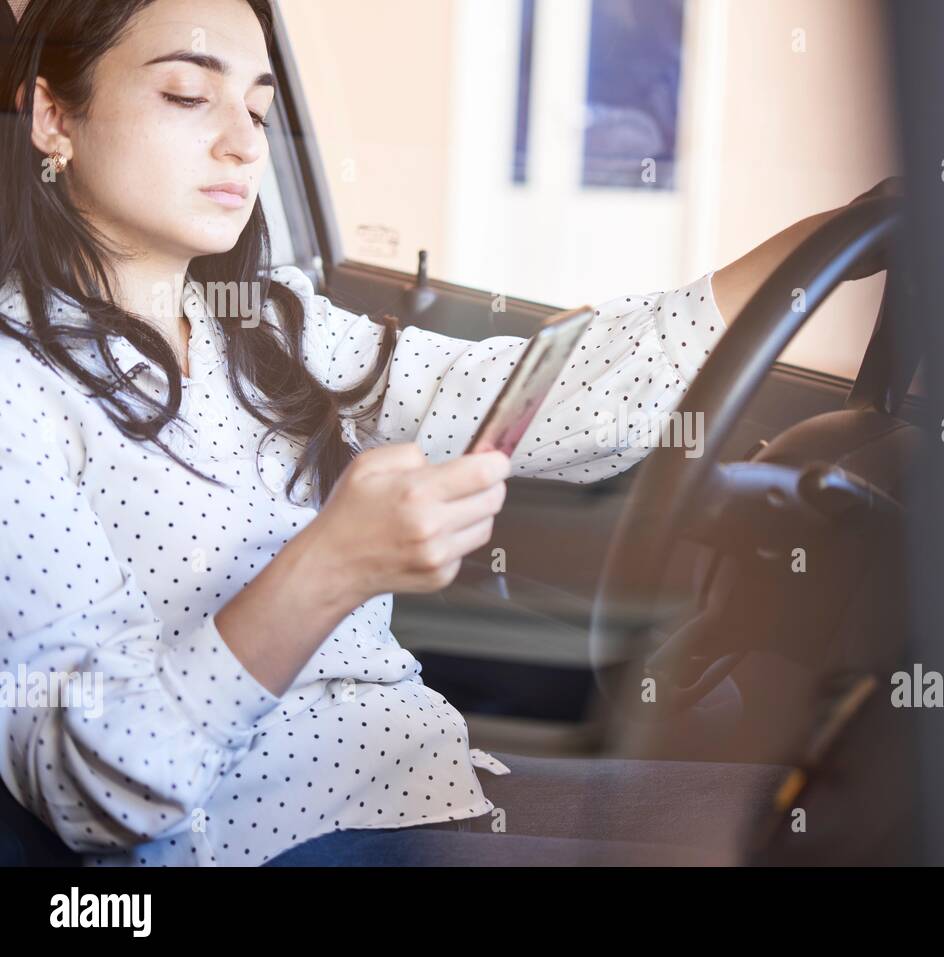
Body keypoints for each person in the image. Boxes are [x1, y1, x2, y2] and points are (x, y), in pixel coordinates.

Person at [0, 0, 869, 866]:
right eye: (189, 97)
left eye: (259, 109)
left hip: (423, 776)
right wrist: (331, 565)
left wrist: (823, 244)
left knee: (841, 814)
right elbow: (95, 786)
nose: (243, 142)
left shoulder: (268, 321)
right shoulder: (17, 388)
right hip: (261, 840)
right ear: (53, 117)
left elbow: (540, 398)